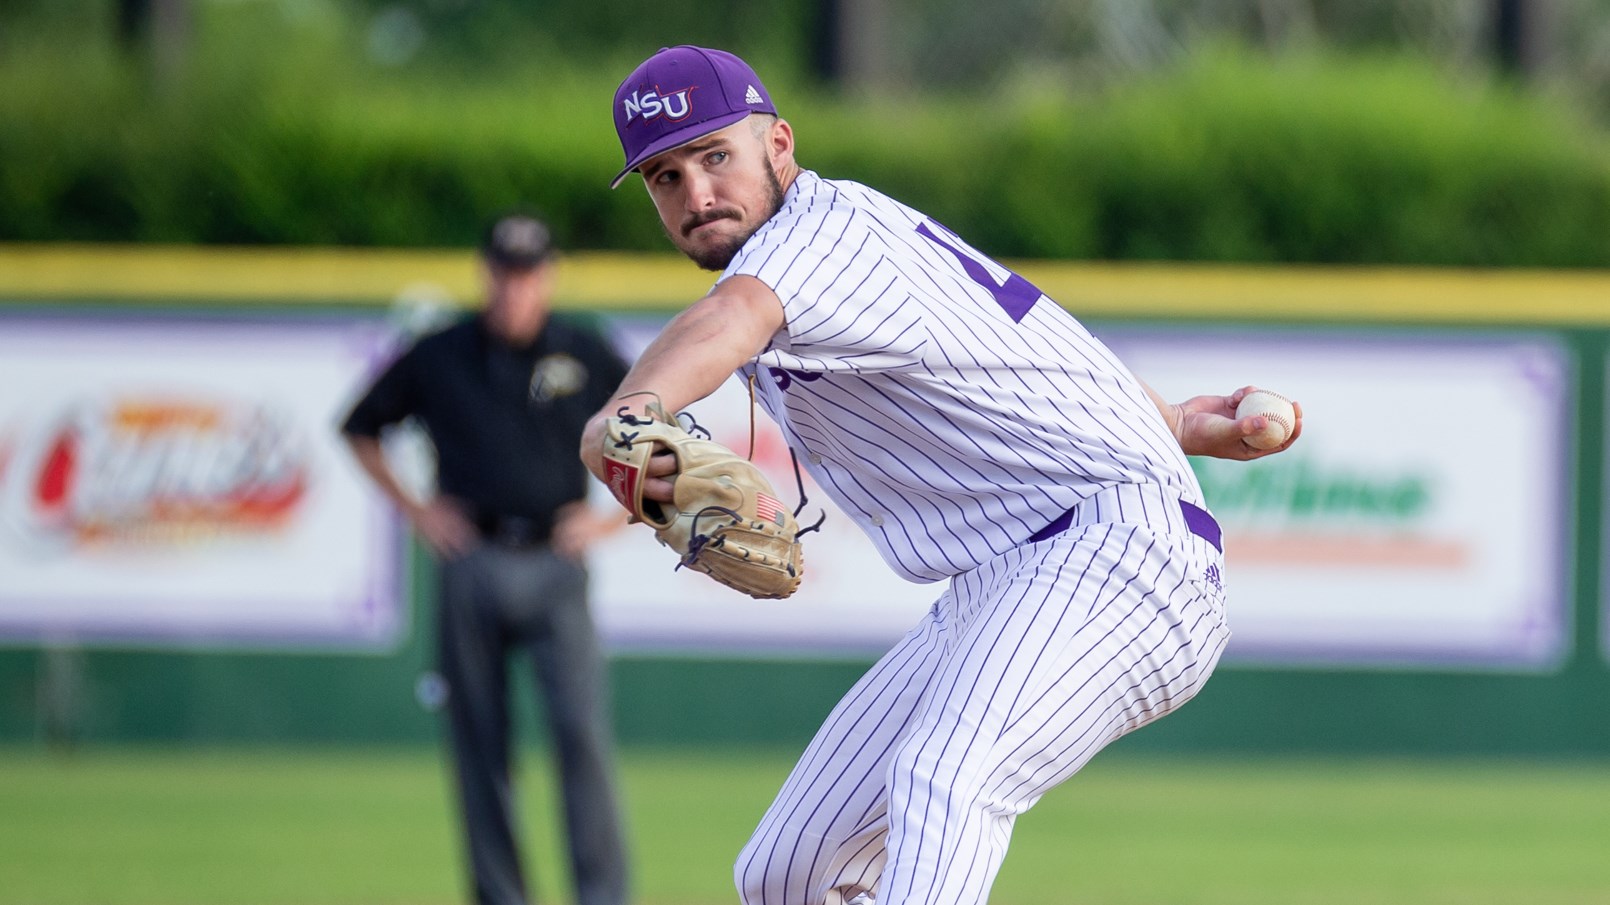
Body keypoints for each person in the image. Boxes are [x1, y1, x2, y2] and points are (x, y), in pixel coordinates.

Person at [582, 46, 1304, 905]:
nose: (697, 193)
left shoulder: (815, 238)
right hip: (1003, 583)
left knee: (946, 777)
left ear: (779, 143)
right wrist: (1176, 418)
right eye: (665, 176)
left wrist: (626, 414)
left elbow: (733, 317)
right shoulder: (810, 250)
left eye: (714, 156)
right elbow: (1017, 339)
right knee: (788, 869)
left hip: (1116, 553)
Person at [343, 213, 630, 905]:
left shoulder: (582, 349)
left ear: (548, 276)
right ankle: (501, 896)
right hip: (472, 556)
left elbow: (658, 428)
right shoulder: (441, 351)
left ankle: (604, 896)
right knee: (479, 745)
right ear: (486, 273)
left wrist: (615, 517)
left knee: (582, 739)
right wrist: (417, 510)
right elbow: (360, 428)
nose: (515, 287)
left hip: (556, 561)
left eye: (528, 272)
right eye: (504, 272)